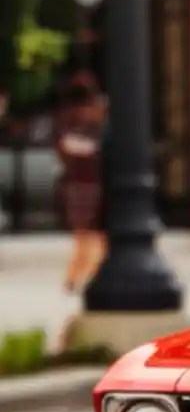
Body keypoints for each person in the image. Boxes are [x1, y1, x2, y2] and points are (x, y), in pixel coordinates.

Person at [55, 81, 107, 292]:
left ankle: (81, 275)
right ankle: (78, 276)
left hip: (85, 185)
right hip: (83, 185)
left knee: (91, 236)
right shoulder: (74, 127)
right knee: (86, 235)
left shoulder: (91, 127)